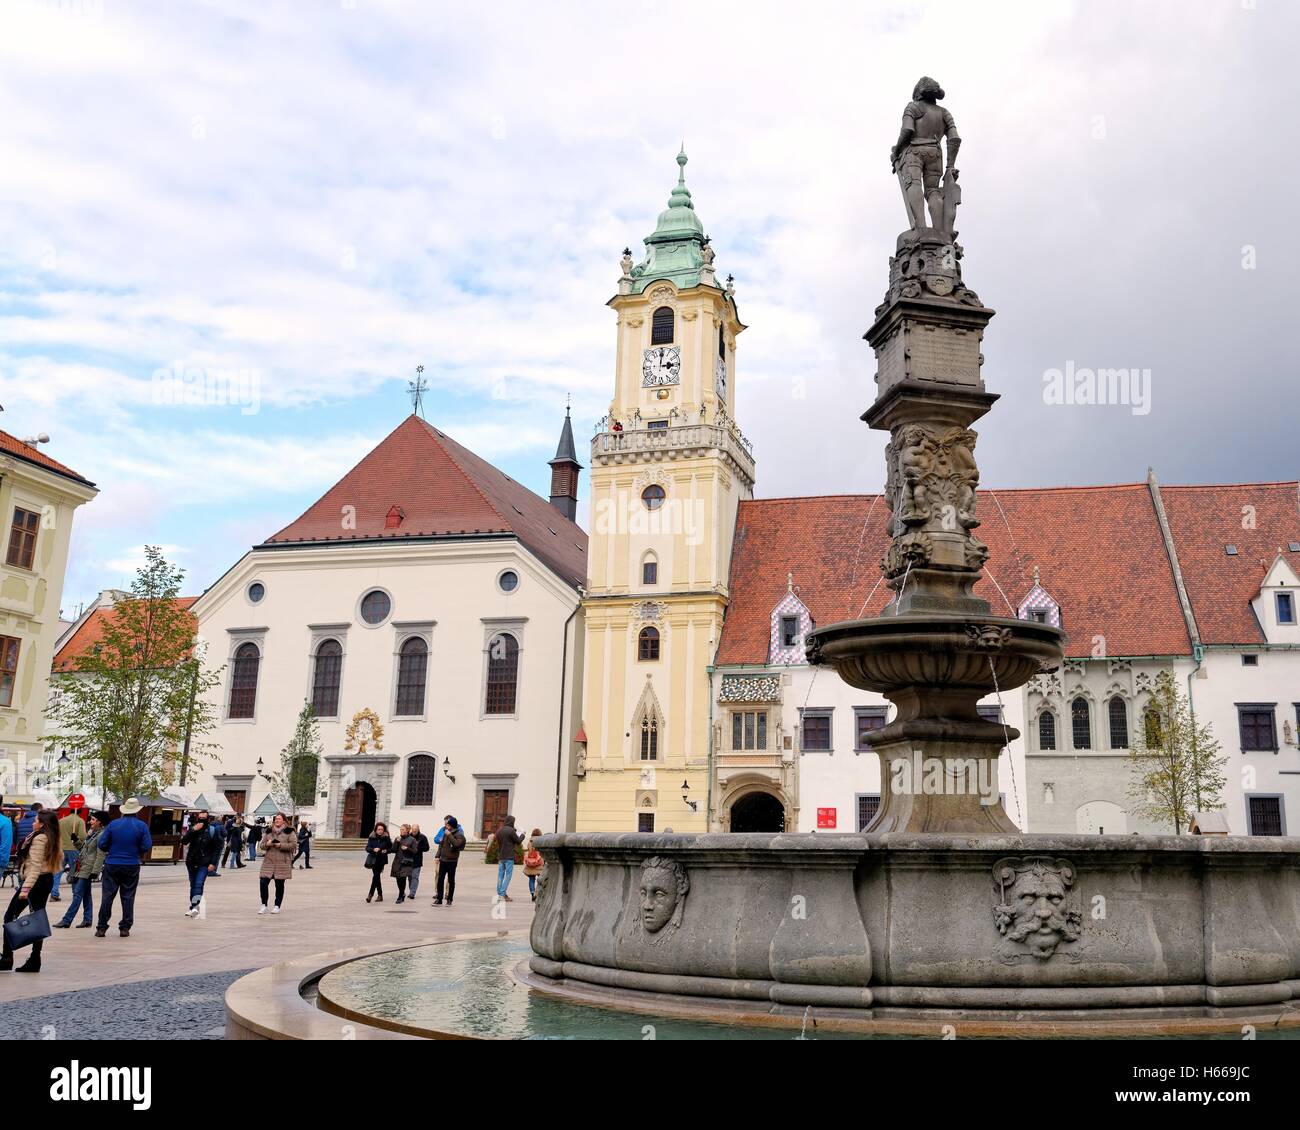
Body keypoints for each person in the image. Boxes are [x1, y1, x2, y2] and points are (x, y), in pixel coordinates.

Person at [1, 809, 60, 972]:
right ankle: (35, 959)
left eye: (35, 820)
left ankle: (7, 958)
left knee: (10, 916)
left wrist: (25, 889)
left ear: (42, 824)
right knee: (38, 920)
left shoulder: (39, 838)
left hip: (35, 881)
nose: (33, 823)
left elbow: (35, 867)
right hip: (45, 880)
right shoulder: (52, 837)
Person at [95, 799, 152, 938]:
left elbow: (102, 844)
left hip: (112, 863)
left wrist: (112, 849)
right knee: (128, 896)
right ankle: (125, 927)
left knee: (107, 896)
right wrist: (136, 851)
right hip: (131, 864)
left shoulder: (113, 824)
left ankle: (101, 927)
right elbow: (147, 846)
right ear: (137, 811)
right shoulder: (142, 826)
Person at [54, 811, 108, 929]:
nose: (90, 822)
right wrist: (76, 841)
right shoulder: (93, 834)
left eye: (93, 820)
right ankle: (87, 919)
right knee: (86, 895)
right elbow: (84, 849)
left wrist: (96, 871)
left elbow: (100, 855)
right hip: (82, 866)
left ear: (100, 822)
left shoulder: (101, 835)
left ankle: (66, 920)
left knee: (77, 894)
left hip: (88, 869)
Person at [181, 810, 219, 918]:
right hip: (192, 861)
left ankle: (195, 906)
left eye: (204, 818)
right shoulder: (193, 829)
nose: (201, 820)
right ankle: (193, 906)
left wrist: (213, 863)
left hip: (204, 863)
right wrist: (193, 830)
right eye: (200, 817)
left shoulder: (212, 831)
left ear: (208, 819)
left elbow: (217, 848)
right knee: (193, 885)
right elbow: (184, 841)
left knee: (198, 884)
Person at [257, 813, 295, 915]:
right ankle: (264, 905)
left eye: (279, 819)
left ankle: (277, 905)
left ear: (284, 820)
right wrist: (267, 844)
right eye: (276, 819)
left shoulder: (289, 831)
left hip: (282, 862)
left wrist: (280, 845)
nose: (277, 820)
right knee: (263, 882)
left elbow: (293, 845)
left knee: (279, 884)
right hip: (269, 861)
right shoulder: (269, 831)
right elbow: (262, 845)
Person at [50, 806, 86, 902]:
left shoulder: (61, 820)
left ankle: (54, 893)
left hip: (61, 848)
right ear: (80, 811)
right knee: (75, 872)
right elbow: (82, 836)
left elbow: (56, 834)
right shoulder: (80, 821)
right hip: (74, 849)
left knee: (57, 872)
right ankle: (76, 894)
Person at [432, 814, 465, 906]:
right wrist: (437, 856)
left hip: (452, 861)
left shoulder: (459, 834)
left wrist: (449, 835)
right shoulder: (446, 832)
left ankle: (449, 899)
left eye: (447, 825)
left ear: (451, 826)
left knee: (451, 880)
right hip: (443, 860)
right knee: (440, 880)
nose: (445, 826)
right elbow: (441, 845)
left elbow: (457, 845)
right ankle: (439, 899)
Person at [493, 814, 524, 902]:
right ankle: (502, 894)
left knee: (500, 875)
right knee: (508, 876)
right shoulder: (511, 830)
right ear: (512, 822)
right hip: (509, 856)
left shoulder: (499, 830)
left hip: (501, 856)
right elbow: (518, 841)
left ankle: (500, 893)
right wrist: (523, 834)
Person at [364, 822, 392, 903]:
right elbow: (367, 848)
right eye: (379, 829)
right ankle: (380, 895)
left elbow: (391, 849)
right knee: (377, 877)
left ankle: (370, 895)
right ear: (376, 830)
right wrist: (373, 849)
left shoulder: (386, 838)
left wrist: (385, 850)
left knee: (376, 876)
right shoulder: (371, 837)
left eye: (382, 829)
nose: (380, 831)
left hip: (381, 860)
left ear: (384, 830)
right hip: (373, 860)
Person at [391, 824, 417, 903]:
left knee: (403, 878)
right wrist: (397, 842)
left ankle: (400, 895)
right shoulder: (397, 838)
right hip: (397, 862)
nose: (401, 831)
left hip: (406, 862)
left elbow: (415, 851)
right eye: (400, 829)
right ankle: (402, 893)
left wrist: (407, 849)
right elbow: (393, 850)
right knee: (398, 879)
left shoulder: (412, 839)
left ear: (407, 830)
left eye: (403, 829)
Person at [523, 828, 545, 902]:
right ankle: (538, 893)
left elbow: (529, 852)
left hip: (530, 864)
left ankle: (532, 894)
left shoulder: (529, 842)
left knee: (531, 879)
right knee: (541, 880)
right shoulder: (541, 841)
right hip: (539, 863)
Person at [408, 824, 430, 898]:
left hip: (417, 860)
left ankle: (412, 893)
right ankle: (411, 890)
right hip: (408, 860)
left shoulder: (423, 837)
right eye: (413, 831)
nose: (414, 832)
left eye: (415, 831)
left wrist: (418, 847)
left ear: (418, 830)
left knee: (415, 877)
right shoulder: (408, 836)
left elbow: (427, 848)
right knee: (410, 877)